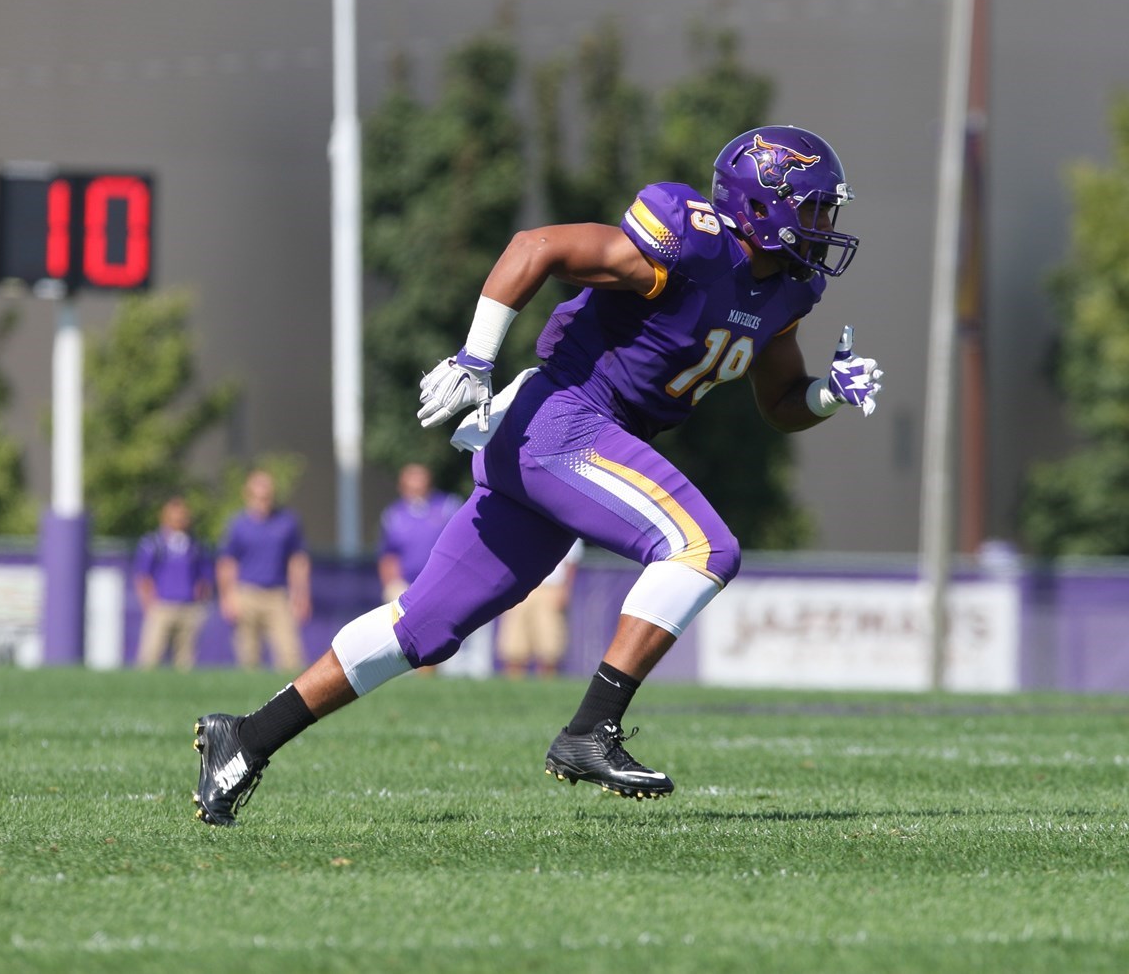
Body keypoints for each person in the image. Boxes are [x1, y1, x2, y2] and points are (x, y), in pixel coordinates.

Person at [192, 125, 883, 825]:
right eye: (816, 207)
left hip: (567, 448)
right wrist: (473, 359)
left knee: (421, 629)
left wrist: (830, 394)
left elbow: (781, 403)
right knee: (706, 547)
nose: (826, 226)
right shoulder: (689, 241)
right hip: (563, 422)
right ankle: (591, 729)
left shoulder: (789, 293)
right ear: (763, 205)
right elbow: (537, 246)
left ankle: (244, 737)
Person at [215, 469, 312, 672]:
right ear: (248, 495)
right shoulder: (238, 525)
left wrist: (301, 595)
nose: (263, 502)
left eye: (267, 497)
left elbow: (298, 561)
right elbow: (227, 562)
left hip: (277, 595)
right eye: (258, 497)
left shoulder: (286, 522)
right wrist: (227, 596)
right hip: (246, 593)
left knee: (291, 656)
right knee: (248, 657)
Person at [131, 495, 212, 670]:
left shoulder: (195, 544)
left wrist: (200, 601)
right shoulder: (154, 543)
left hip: (188, 607)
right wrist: (148, 603)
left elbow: (204, 576)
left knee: (185, 660)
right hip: (162, 605)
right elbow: (143, 576)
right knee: (150, 657)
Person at [497, 537, 583, 679]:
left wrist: (565, 588)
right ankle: (513, 689)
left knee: (549, 650)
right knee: (514, 649)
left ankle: (547, 687)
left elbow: (572, 559)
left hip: (550, 586)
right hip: (519, 585)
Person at [377, 463, 462, 605]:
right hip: (407, 585)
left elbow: (463, 543)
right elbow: (388, 555)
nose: (416, 482)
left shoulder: (448, 505)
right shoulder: (394, 514)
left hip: (445, 582)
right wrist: (392, 584)